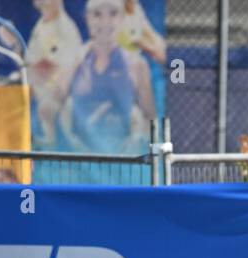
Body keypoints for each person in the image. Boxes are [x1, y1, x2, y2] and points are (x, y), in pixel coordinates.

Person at [56, 0, 154, 154]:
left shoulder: (137, 65)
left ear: (122, 19)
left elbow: (150, 119)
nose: (105, 21)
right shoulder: (74, 62)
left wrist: (137, 139)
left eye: (113, 14)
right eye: (97, 14)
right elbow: (56, 106)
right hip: (80, 163)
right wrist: (73, 143)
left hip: (124, 165)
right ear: (87, 18)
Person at [22, 0, 83, 146]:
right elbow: (30, 61)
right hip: (39, 92)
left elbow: (62, 66)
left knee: (48, 110)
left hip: (61, 93)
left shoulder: (65, 28)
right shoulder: (41, 26)